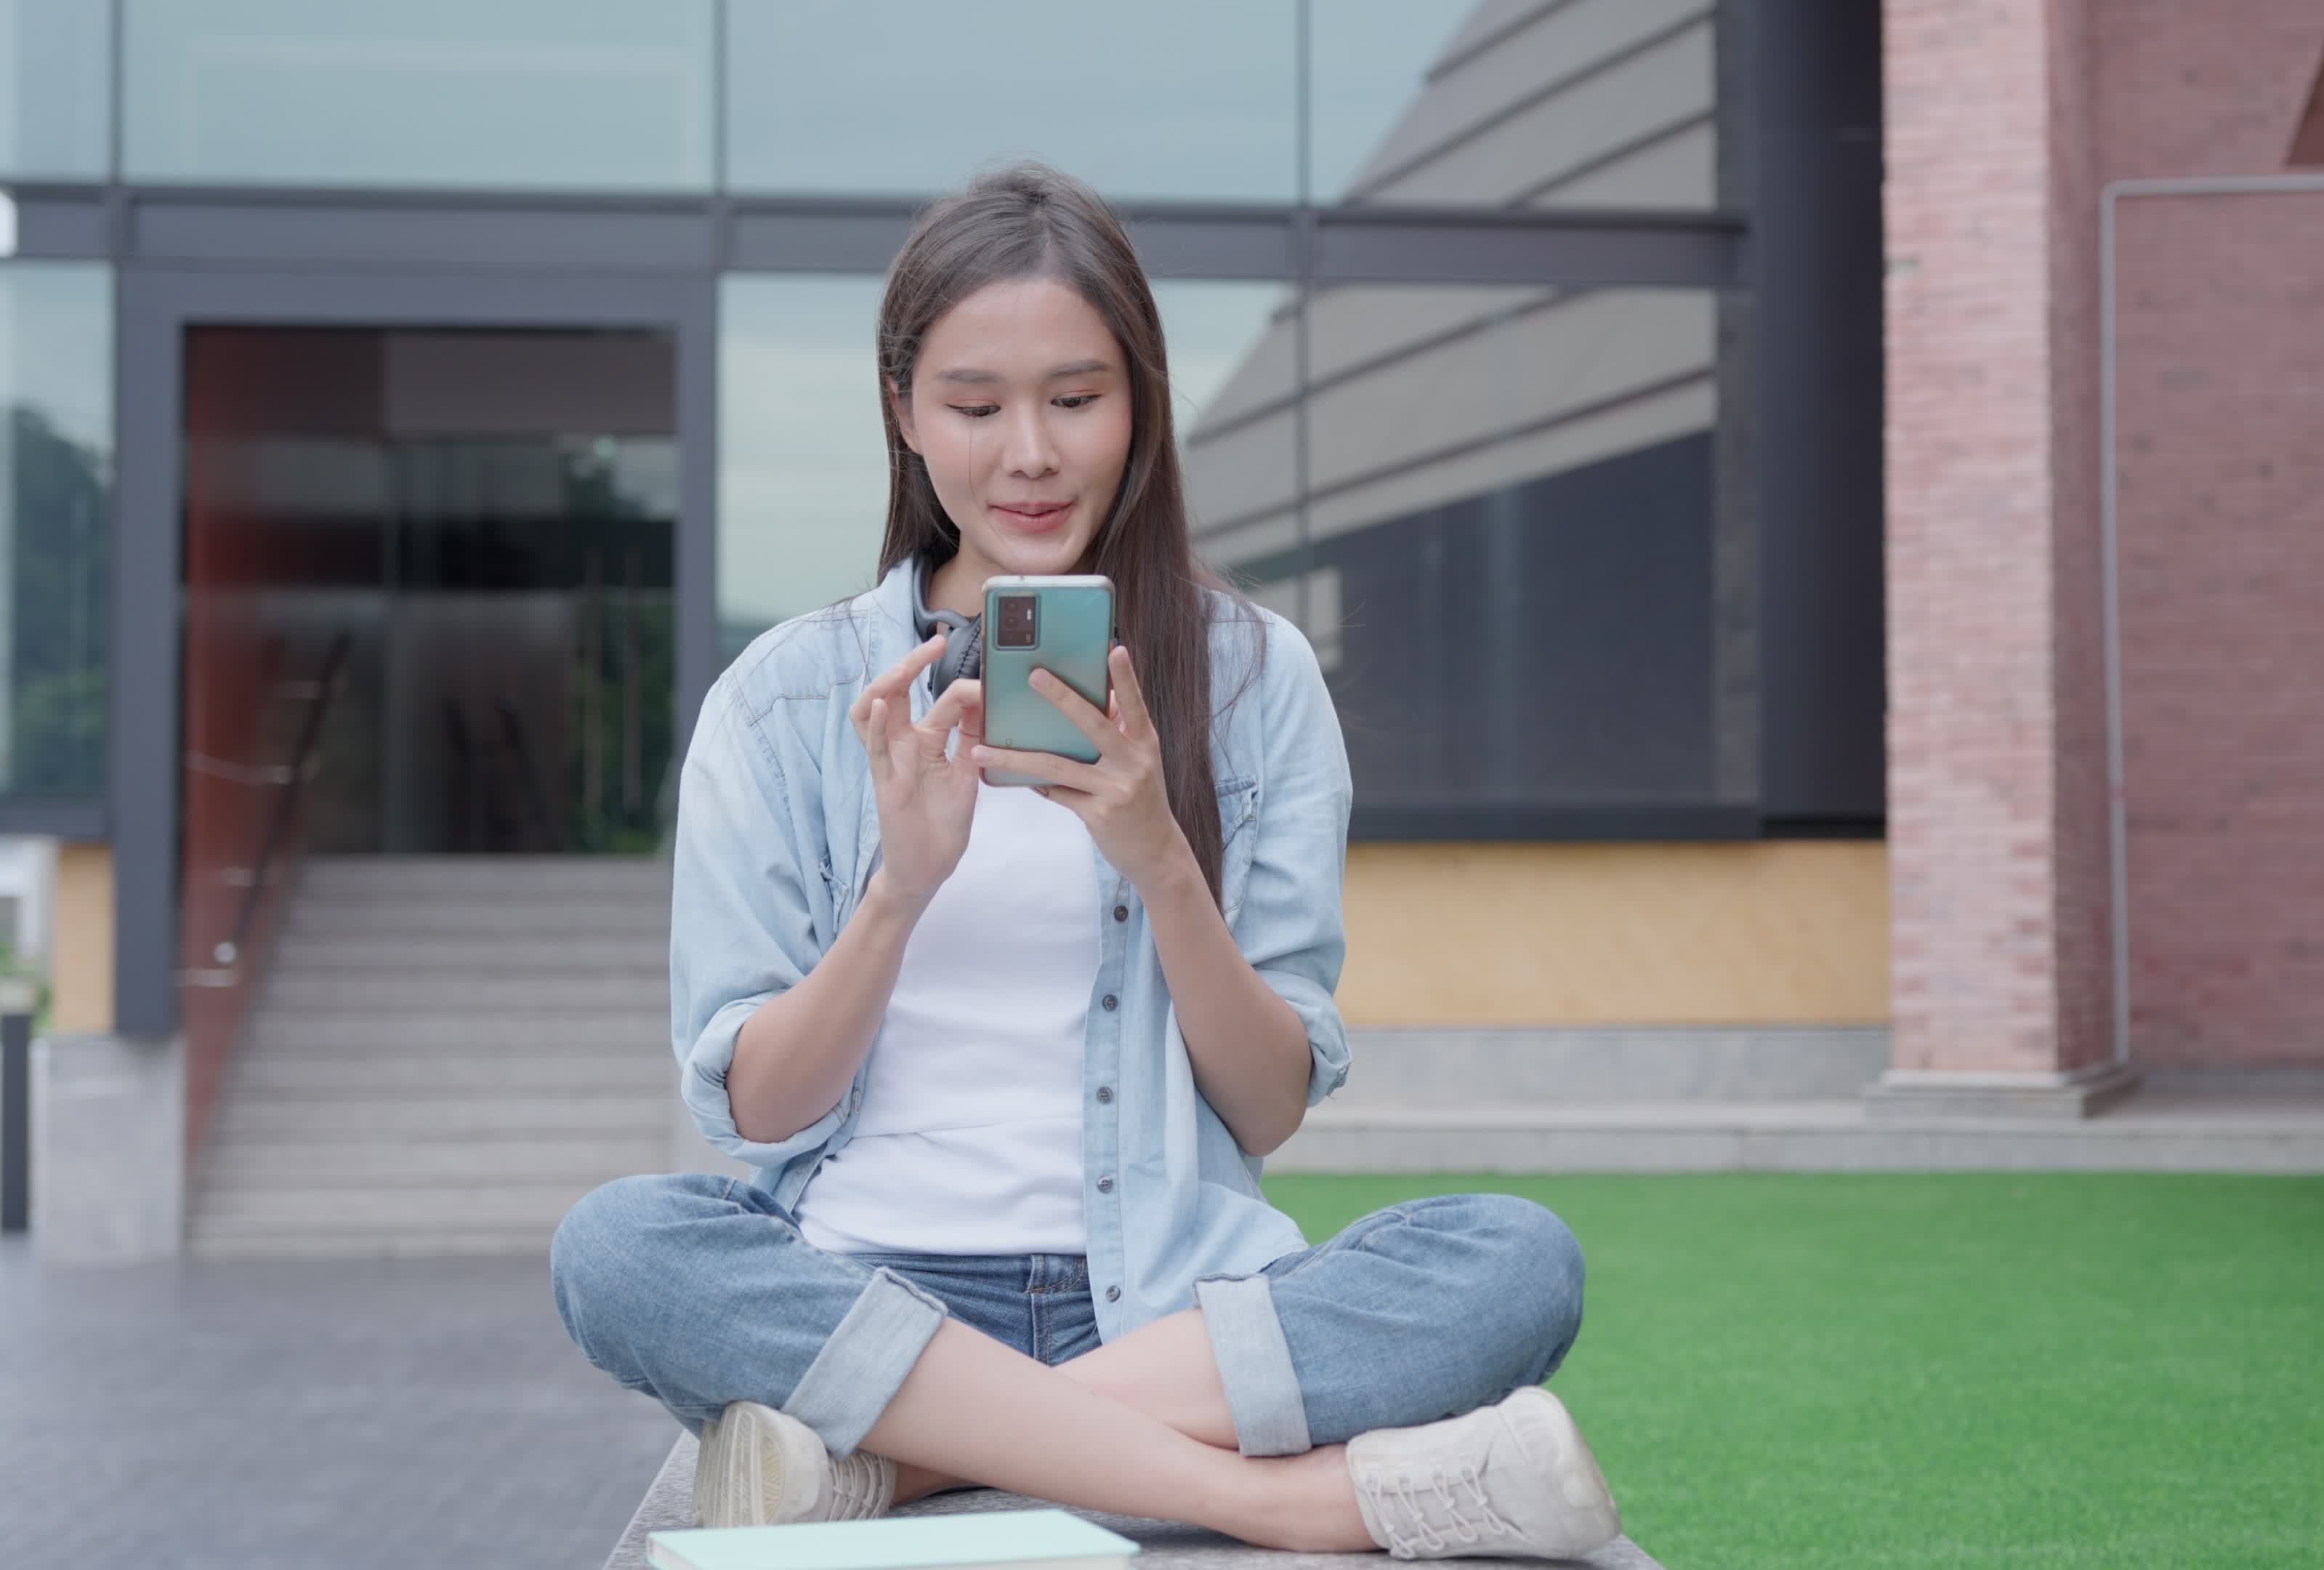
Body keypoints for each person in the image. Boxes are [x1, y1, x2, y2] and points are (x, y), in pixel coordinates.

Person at [549, 162, 1621, 1561]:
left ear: (1139, 403)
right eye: (975, 407)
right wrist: (899, 893)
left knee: (1517, 1262)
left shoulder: (1253, 679)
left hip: (1171, 1306)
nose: (1031, 455)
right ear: (904, 411)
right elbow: (758, 1113)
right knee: (618, 1248)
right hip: (872, 1289)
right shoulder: (786, 701)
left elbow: (1268, 1105)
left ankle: (900, 1467)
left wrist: (1158, 855)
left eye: (1075, 398)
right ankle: (1276, 1499)